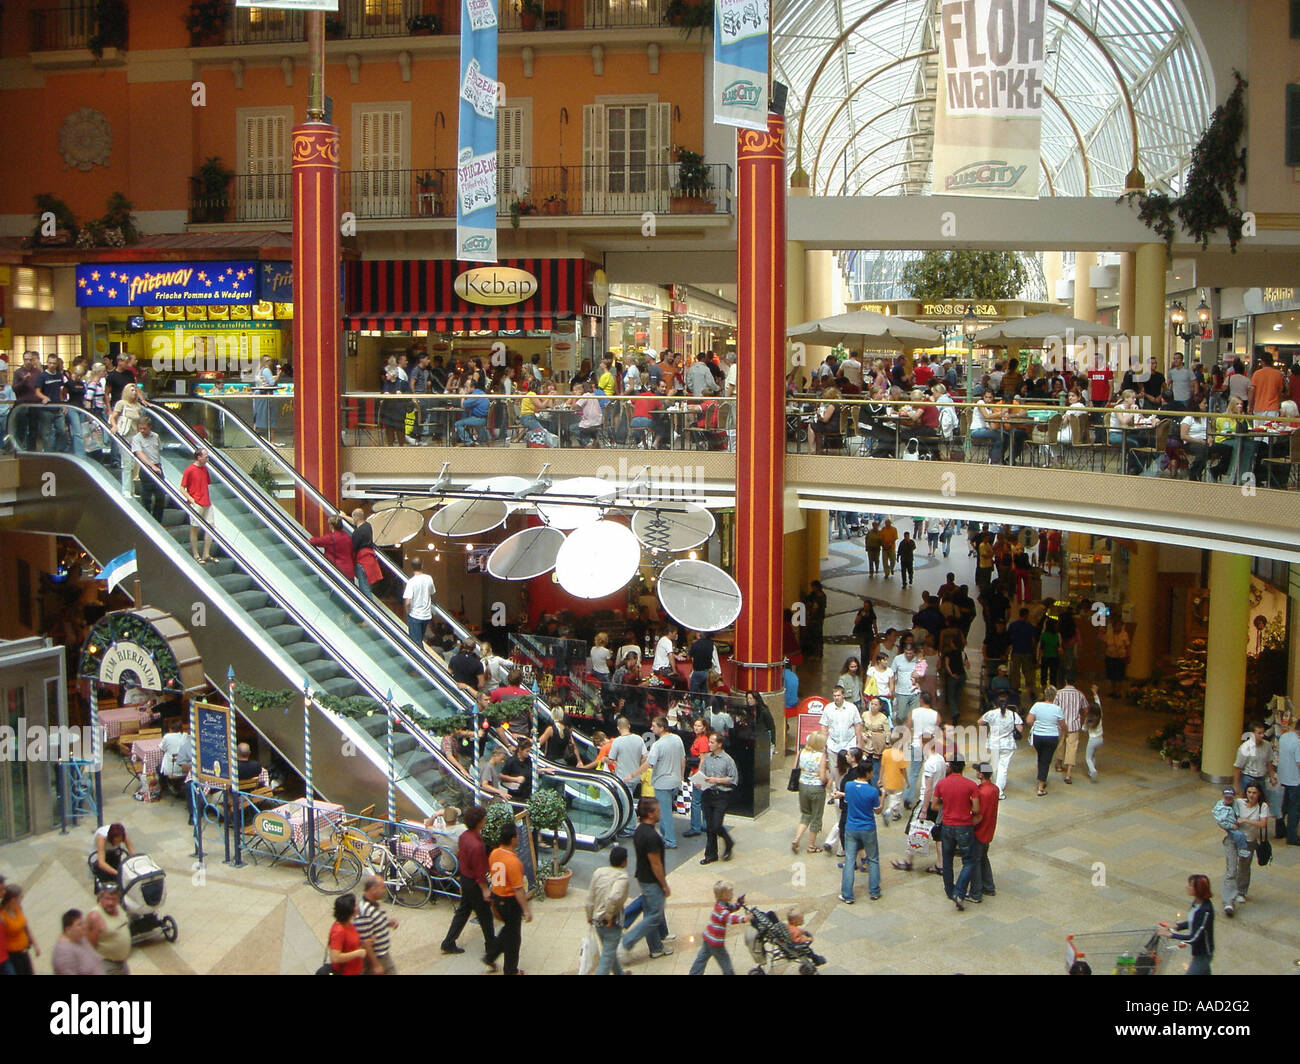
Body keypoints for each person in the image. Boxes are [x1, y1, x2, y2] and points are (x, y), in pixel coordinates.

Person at [621, 797, 674, 960]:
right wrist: (664, 885)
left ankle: (656, 946)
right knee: (653, 916)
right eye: (657, 810)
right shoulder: (651, 836)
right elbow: (656, 864)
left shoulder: (639, 830)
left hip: (643, 877)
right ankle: (627, 942)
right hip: (652, 880)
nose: (660, 812)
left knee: (650, 909)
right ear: (650, 814)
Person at [482, 820, 531, 974]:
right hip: (510, 902)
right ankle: (511, 970)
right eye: (516, 836)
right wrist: (526, 909)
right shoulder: (514, 862)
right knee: (513, 938)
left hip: (496, 898)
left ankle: (490, 956)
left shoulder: (495, 853)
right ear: (512, 839)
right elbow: (518, 890)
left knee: (508, 931)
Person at [931, 759, 980, 910]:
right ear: (963, 768)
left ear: (950, 767)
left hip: (947, 825)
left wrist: (947, 807)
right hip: (964, 826)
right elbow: (976, 809)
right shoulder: (971, 785)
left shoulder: (942, 784)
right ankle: (959, 892)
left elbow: (934, 805)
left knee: (947, 859)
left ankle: (949, 890)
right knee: (969, 860)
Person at [1220, 783, 1269, 917]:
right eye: (1249, 792)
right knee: (1231, 870)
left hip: (1249, 842)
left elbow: (1263, 824)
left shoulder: (1262, 807)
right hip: (1233, 840)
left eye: (1254, 792)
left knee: (1244, 867)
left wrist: (1245, 821)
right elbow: (1225, 810)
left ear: (1259, 794)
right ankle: (1228, 901)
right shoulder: (1239, 803)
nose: (1251, 795)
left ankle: (1241, 891)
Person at [837, 763, 882, 904]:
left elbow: (848, 800)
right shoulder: (873, 791)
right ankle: (874, 891)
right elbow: (877, 810)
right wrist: (884, 796)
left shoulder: (849, 786)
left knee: (849, 860)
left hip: (851, 827)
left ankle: (847, 894)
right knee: (873, 859)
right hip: (868, 827)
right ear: (867, 773)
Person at [1156, 874, 1215, 974]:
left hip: (1203, 954)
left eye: (1190, 885)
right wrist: (1178, 926)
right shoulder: (1197, 903)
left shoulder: (1205, 911)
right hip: (1198, 951)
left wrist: (1171, 935)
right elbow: (1193, 921)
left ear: (1198, 889)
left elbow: (1194, 938)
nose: (1187, 887)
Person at [586, 846, 630, 975]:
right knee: (606, 957)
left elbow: (590, 897)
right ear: (624, 861)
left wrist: (589, 915)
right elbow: (614, 898)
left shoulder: (599, 872)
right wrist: (610, 917)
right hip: (612, 922)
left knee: (608, 951)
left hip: (597, 921)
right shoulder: (622, 877)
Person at [688, 879, 749, 974]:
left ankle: (694, 973)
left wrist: (739, 904)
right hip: (715, 941)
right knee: (725, 961)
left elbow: (731, 908)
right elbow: (729, 918)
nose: (732, 894)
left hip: (708, 937)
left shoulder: (722, 905)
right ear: (723, 895)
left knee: (701, 959)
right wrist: (744, 919)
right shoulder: (721, 910)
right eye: (730, 892)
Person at [697, 731, 739, 865]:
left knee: (716, 825)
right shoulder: (707, 758)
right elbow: (702, 773)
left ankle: (728, 842)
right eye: (709, 742)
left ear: (719, 744)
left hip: (721, 795)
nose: (709, 744)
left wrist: (716, 780)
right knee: (709, 826)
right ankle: (711, 854)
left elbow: (733, 779)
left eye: (712, 742)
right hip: (708, 794)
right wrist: (699, 781)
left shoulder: (728, 760)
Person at [1023, 688, 1066, 797]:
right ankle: (1041, 786)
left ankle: (1041, 778)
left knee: (1041, 757)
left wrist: (1037, 725)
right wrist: (1066, 731)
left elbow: (1028, 720)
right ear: (1055, 696)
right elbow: (1062, 724)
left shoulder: (1037, 705)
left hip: (1038, 736)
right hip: (1051, 737)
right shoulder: (1057, 709)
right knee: (1046, 760)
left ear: (1045, 695)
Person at [967, 763, 999, 902]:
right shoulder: (995, 789)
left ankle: (976, 893)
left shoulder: (980, 792)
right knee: (983, 858)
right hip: (989, 830)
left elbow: (977, 813)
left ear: (981, 774)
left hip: (979, 830)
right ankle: (988, 886)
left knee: (975, 861)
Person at [979, 693, 1022, 799]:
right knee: (1003, 767)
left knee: (994, 765)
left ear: (996, 703)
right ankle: (999, 791)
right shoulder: (1013, 714)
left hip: (994, 742)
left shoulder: (991, 713)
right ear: (1008, 704)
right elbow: (1020, 729)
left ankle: (991, 786)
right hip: (1007, 744)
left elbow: (980, 722)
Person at [1052, 681, 1095, 785]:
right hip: (1074, 726)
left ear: (1065, 681)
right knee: (1072, 748)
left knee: (1060, 744)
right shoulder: (1080, 694)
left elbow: (1053, 708)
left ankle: (1059, 764)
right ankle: (1068, 774)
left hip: (1061, 725)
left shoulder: (1059, 693)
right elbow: (1086, 710)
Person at [355, 874, 399, 974]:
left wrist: (388, 922)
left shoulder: (373, 904)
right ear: (373, 889)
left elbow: (374, 923)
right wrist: (376, 965)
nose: (385, 890)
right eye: (382, 887)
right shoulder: (365, 911)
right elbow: (365, 942)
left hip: (383, 955)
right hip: (376, 958)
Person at [85, 884, 132, 975]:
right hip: (106, 967)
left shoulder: (119, 908)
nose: (110, 903)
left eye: (113, 899)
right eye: (107, 898)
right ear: (100, 898)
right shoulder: (95, 917)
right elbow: (89, 948)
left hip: (122, 964)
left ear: (118, 899)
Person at [179, 448, 214, 562]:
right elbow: (182, 488)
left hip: (206, 501)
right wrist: (192, 500)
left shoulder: (204, 469)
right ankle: (196, 554)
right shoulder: (190, 470)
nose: (207, 459)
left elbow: (206, 484)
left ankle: (206, 554)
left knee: (211, 527)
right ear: (199, 457)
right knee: (195, 529)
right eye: (205, 456)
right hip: (196, 502)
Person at [129, 416, 166, 521]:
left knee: (160, 496)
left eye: (144, 428)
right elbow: (139, 453)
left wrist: (156, 466)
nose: (142, 431)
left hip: (158, 467)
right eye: (140, 428)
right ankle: (147, 519)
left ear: (150, 427)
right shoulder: (137, 438)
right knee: (146, 497)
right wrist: (151, 465)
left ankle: (157, 520)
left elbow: (159, 450)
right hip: (146, 469)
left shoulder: (155, 436)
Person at [52, 910, 104, 975]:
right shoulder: (63, 952)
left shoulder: (81, 939)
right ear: (68, 929)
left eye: (83, 923)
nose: (84, 926)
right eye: (79, 924)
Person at [683, 718, 711, 840]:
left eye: (699, 726)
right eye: (695, 725)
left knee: (696, 801)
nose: (696, 727)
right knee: (702, 800)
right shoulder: (698, 739)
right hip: (697, 771)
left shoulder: (703, 740)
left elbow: (703, 758)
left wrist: (698, 775)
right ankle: (704, 825)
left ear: (704, 727)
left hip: (700, 774)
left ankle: (696, 827)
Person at [0, 884, 38, 975]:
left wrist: (35, 944)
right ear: (13, 900)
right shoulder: (2, 916)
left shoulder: (18, 909)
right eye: (20, 897)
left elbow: (25, 926)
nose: (22, 899)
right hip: (13, 954)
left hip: (24, 951)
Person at [326, 893, 367, 974]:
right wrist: (358, 953)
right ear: (348, 911)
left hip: (356, 969)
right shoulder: (339, 931)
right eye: (354, 906)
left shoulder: (348, 924)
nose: (357, 907)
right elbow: (335, 957)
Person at [1233, 722, 1276, 796]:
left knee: (1262, 801)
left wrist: (1272, 776)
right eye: (1259, 733)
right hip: (1248, 778)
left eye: (1263, 733)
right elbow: (1238, 768)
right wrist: (1236, 785)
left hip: (1262, 778)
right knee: (1248, 801)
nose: (1262, 735)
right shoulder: (1245, 748)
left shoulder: (1267, 745)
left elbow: (1269, 762)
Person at [309, 514, 356, 581]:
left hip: (336, 571)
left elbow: (314, 541)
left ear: (332, 525)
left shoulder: (330, 538)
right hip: (349, 571)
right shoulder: (347, 537)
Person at [1212, 787, 1255, 860]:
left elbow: (1237, 811)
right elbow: (1221, 821)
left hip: (1236, 822)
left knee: (1240, 834)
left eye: (1230, 798)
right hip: (1230, 825)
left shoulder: (1235, 803)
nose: (1228, 800)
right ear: (1223, 797)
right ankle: (1242, 849)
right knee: (1239, 835)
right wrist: (1231, 826)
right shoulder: (1221, 808)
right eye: (1226, 798)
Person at [1277, 715, 1300, 848]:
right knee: (1294, 809)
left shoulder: (1285, 736)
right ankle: (1292, 836)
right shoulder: (1298, 743)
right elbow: (1299, 763)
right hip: (1295, 780)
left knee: (1283, 806)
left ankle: (1280, 830)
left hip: (1283, 777)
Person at [401, 557, 435, 644]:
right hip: (427, 615)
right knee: (420, 640)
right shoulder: (429, 578)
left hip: (415, 615)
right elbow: (432, 592)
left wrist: (408, 612)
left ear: (412, 567)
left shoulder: (411, 582)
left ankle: (419, 657)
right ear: (422, 565)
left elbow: (408, 602)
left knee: (415, 642)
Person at [349, 508, 377, 600]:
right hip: (370, 561)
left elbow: (353, 549)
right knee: (368, 587)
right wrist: (344, 516)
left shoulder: (357, 533)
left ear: (356, 518)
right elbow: (355, 522)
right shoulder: (368, 526)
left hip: (362, 563)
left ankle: (371, 613)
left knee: (365, 590)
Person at [1102, 616, 1130, 698]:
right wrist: (1103, 654)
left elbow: (1128, 646)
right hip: (1110, 656)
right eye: (1116, 625)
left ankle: (1118, 692)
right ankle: (1113, 691)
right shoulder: (1109, 633)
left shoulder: (1124, 634)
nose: (1118, 627)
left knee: (1119, 675)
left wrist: (1128, 655)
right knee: (1111, 675)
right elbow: (1105, 644)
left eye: (1120, 625)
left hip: (1120, 657)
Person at [500, 737, 535, 802]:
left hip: (527, 791)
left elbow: (531, 769)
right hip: (516, 793)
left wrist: (543, 770)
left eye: (529, 751)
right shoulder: (511, 761)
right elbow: (501, 776)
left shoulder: (528, 759)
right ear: (520, 750)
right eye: (526, 751)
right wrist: (516, 779)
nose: (528, 753)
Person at [1083, 695, 1104, 781]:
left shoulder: (1089, 720)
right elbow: (1098, 703)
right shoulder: (1100, 717)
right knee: (1092, 755)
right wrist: (1095, 694)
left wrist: (1084, 722)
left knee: (1088, 757)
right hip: (1100, 740)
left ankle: (1093, 770)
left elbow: (1083, 729)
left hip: (1092, 740)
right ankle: (1091, 772)